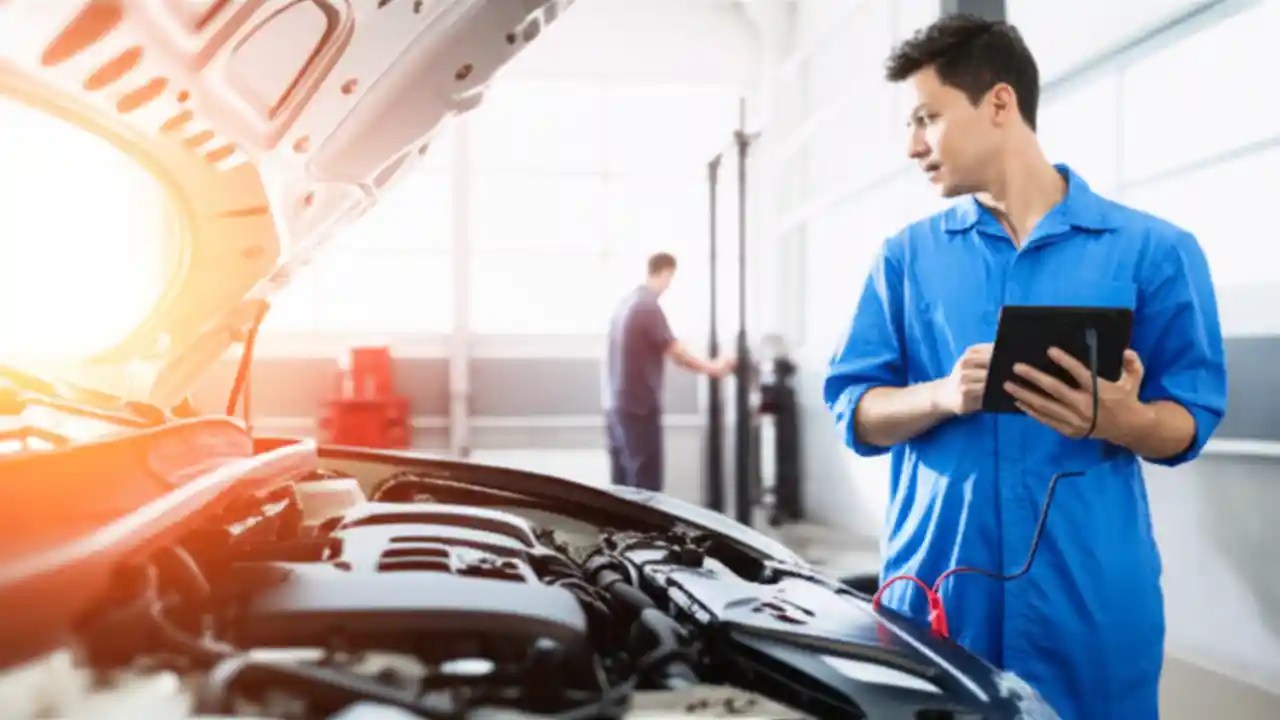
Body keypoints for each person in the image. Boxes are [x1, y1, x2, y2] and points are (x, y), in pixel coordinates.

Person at [823, 14, 1226, 720]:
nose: (913, 145)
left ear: (999, 104)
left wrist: (1125, 420)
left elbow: (1188, 420)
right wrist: (941, 396)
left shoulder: (1154, 252)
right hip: (938, 599)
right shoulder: (905, 259)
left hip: (1090, 604)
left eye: (927, 117)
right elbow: (852, 409)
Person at [604, 252, 735, 492]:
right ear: (666, 272)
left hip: (616, 407)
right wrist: (713, 367)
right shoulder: (647, 306)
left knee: (623, 485)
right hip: (638, 407)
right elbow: (676, 351)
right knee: (645, 485)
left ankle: (622, 530)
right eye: (670, 278)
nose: (669, 285)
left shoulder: (624, 304)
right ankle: (646, 530)